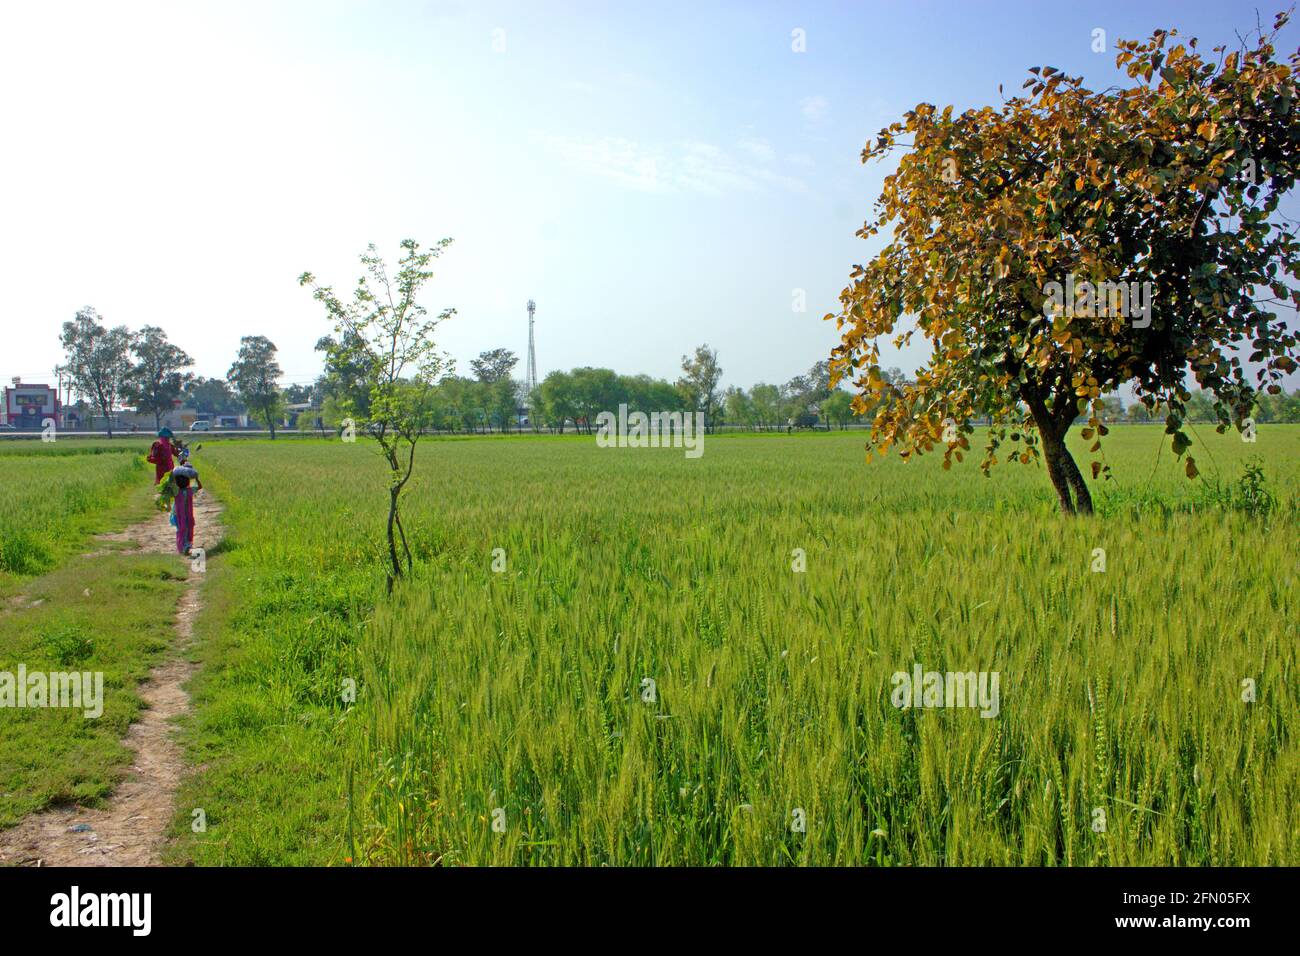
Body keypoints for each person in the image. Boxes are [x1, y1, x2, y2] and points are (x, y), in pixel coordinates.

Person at [171, 460, 202, 555]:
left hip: (182, 515)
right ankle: (184, 547)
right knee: (184, 529)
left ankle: (186, 546)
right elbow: (199, 486)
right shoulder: (184, 491)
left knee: (184, 528)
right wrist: (196, 478)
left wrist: (196, 478)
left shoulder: (180, 491)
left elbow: (199, 487)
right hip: (183, 515)